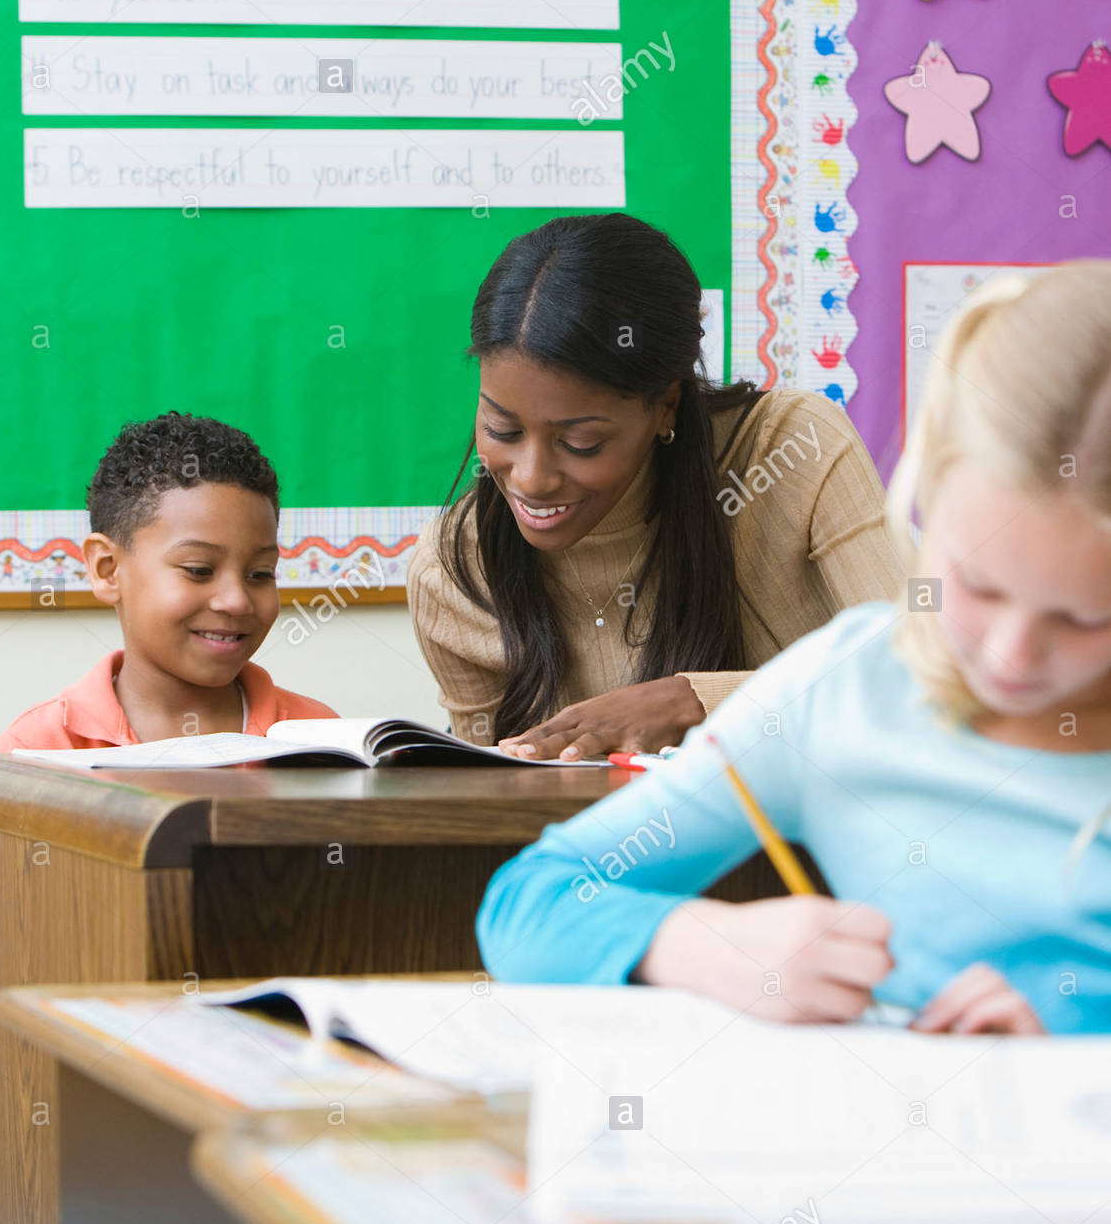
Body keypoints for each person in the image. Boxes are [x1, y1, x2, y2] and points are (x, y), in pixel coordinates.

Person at [475, 262, 1111, 1034]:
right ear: (928, 500)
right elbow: (527, 902)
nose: (1011, 657)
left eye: (1082, 619)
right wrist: (700, 945)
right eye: (978, 586)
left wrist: (1072, 1036)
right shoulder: (851, 689)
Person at [408, 213, 900, 760]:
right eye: (502, 430)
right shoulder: (455, 570)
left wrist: (694, 701)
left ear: (665, 404)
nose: (530, 479)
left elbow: (921, 670)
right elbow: (486, 797)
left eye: (582, 442)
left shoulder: (790, 450)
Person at [0, 412, 336, 751]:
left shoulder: (321, 739)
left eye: (260, 574)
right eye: (198, 570)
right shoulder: (40, 746)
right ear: (107, 568)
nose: (237, 600)